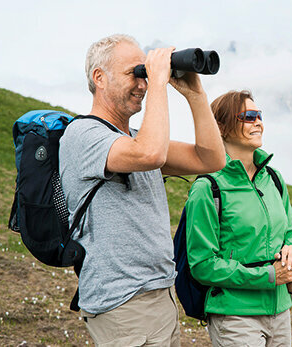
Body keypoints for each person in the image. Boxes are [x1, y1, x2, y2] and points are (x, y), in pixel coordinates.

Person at [59, 34, 225, 346]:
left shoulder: (137, 138)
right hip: (123, 303)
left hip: (160, 295)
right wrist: (160, 81)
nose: (143, 84)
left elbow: (211, 159)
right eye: (134, 73)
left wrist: (196, 95)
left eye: (145, 75)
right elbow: (150, 154)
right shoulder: (82, 135)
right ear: (100, 78)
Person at [185, 90, 292, 347]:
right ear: (222, 127)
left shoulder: (273, 179)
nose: (258, 122)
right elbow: (203, 264)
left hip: (281, 309)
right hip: (235, 315)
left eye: (259, 115)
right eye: (248, 116)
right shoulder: (208, 187)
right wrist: (268, 276)